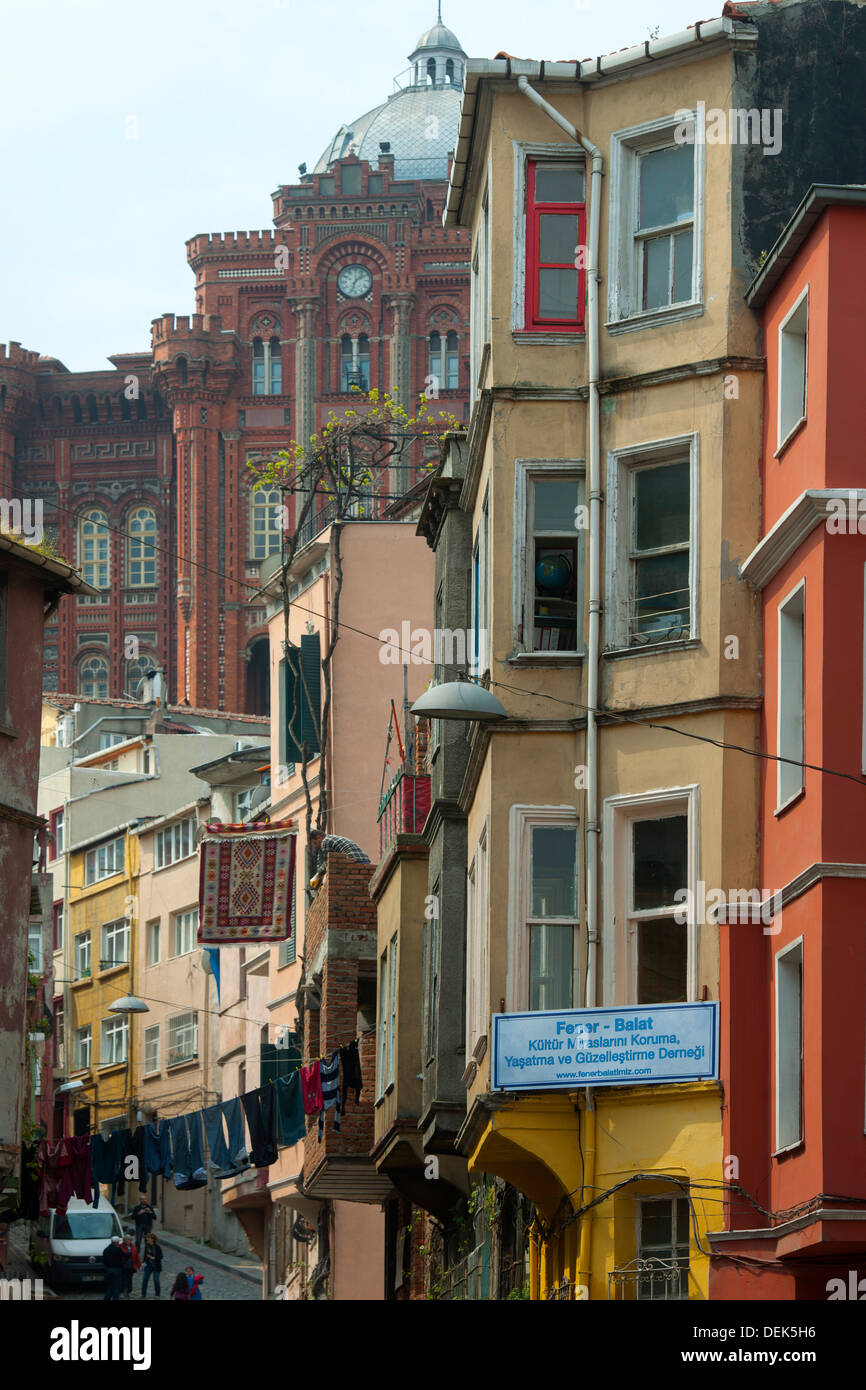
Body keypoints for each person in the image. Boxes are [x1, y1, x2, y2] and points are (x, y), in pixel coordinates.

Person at [102, 1236, 127, 1301]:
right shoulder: (118, 1249)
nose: (118, 1243)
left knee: (110, 1287)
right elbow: (124, 1255)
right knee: (117, 1287)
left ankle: (106, 1298)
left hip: (109, 1270)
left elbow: (104, 1261)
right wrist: (130, 1253)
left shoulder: (106, 1249)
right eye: (118, 1242)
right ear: (116, 1242)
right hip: (117, 1270)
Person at [141, 1232, 163, 1299]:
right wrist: (143, 1264)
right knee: (145, 1279)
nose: (147, 1239)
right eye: (146, 1238)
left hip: (156, 1266)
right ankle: (143, 1294)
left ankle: (157, 1294)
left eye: (148, 1238)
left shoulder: (157, 1247)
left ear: (152, 1239)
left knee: (156, 1280)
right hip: (148, 1265)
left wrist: (153, 1258)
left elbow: (161, 1256)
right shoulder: (147, 1246)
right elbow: (145, 1256)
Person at [120, 1229, 141, 1297]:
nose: (128, 1241)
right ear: (124, 1240)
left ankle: (129, 1291)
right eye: (126, 1239)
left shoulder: (133, 1247)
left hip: (131, 1266)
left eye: (129, 1239)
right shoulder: (120, 1246)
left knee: (129, 1279)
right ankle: (124, 1291)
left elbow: (137, 1257)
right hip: (123, 1266)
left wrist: (140, 1266)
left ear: (131, 1240)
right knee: (124, 1279)